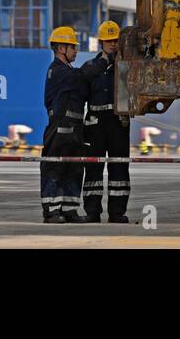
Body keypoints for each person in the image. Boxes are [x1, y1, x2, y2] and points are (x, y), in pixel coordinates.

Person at [41, 25, 110, 223]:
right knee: (54, 170)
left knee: (74, 170)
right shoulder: (58, 71)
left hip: (75, 130)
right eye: (72, 47)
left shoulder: (68, 71)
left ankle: (69, 209)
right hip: (60, 128)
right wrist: (103, 60)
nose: (76, 50)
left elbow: (85, 88)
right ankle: (52, 211)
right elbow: (82, 77)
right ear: (61, 49)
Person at [82, 21, 131, 223]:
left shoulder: (126, 68)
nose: (112, 45)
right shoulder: (90, 68)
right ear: (101, 42)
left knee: (119, 167)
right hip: (95, 123)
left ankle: (117, 212)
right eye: (108, 41)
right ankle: (92, 212)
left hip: (119, 123)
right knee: (93, 168)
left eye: (115, 41)